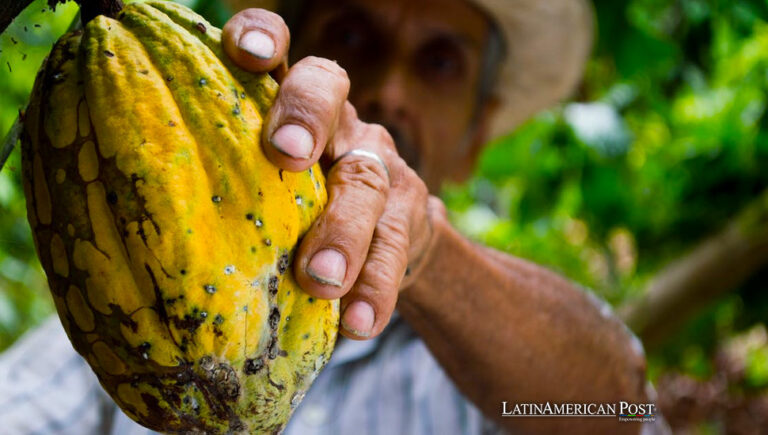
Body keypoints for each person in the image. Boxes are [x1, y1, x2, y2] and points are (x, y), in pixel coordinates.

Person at [0, 0, 668, 433]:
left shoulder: (496, 368)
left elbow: (616, 407)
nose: (389, 89)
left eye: (440, 61)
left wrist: (427, 251)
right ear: (279, 60)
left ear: (478, 132)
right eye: (352, 33)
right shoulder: (123, 310)